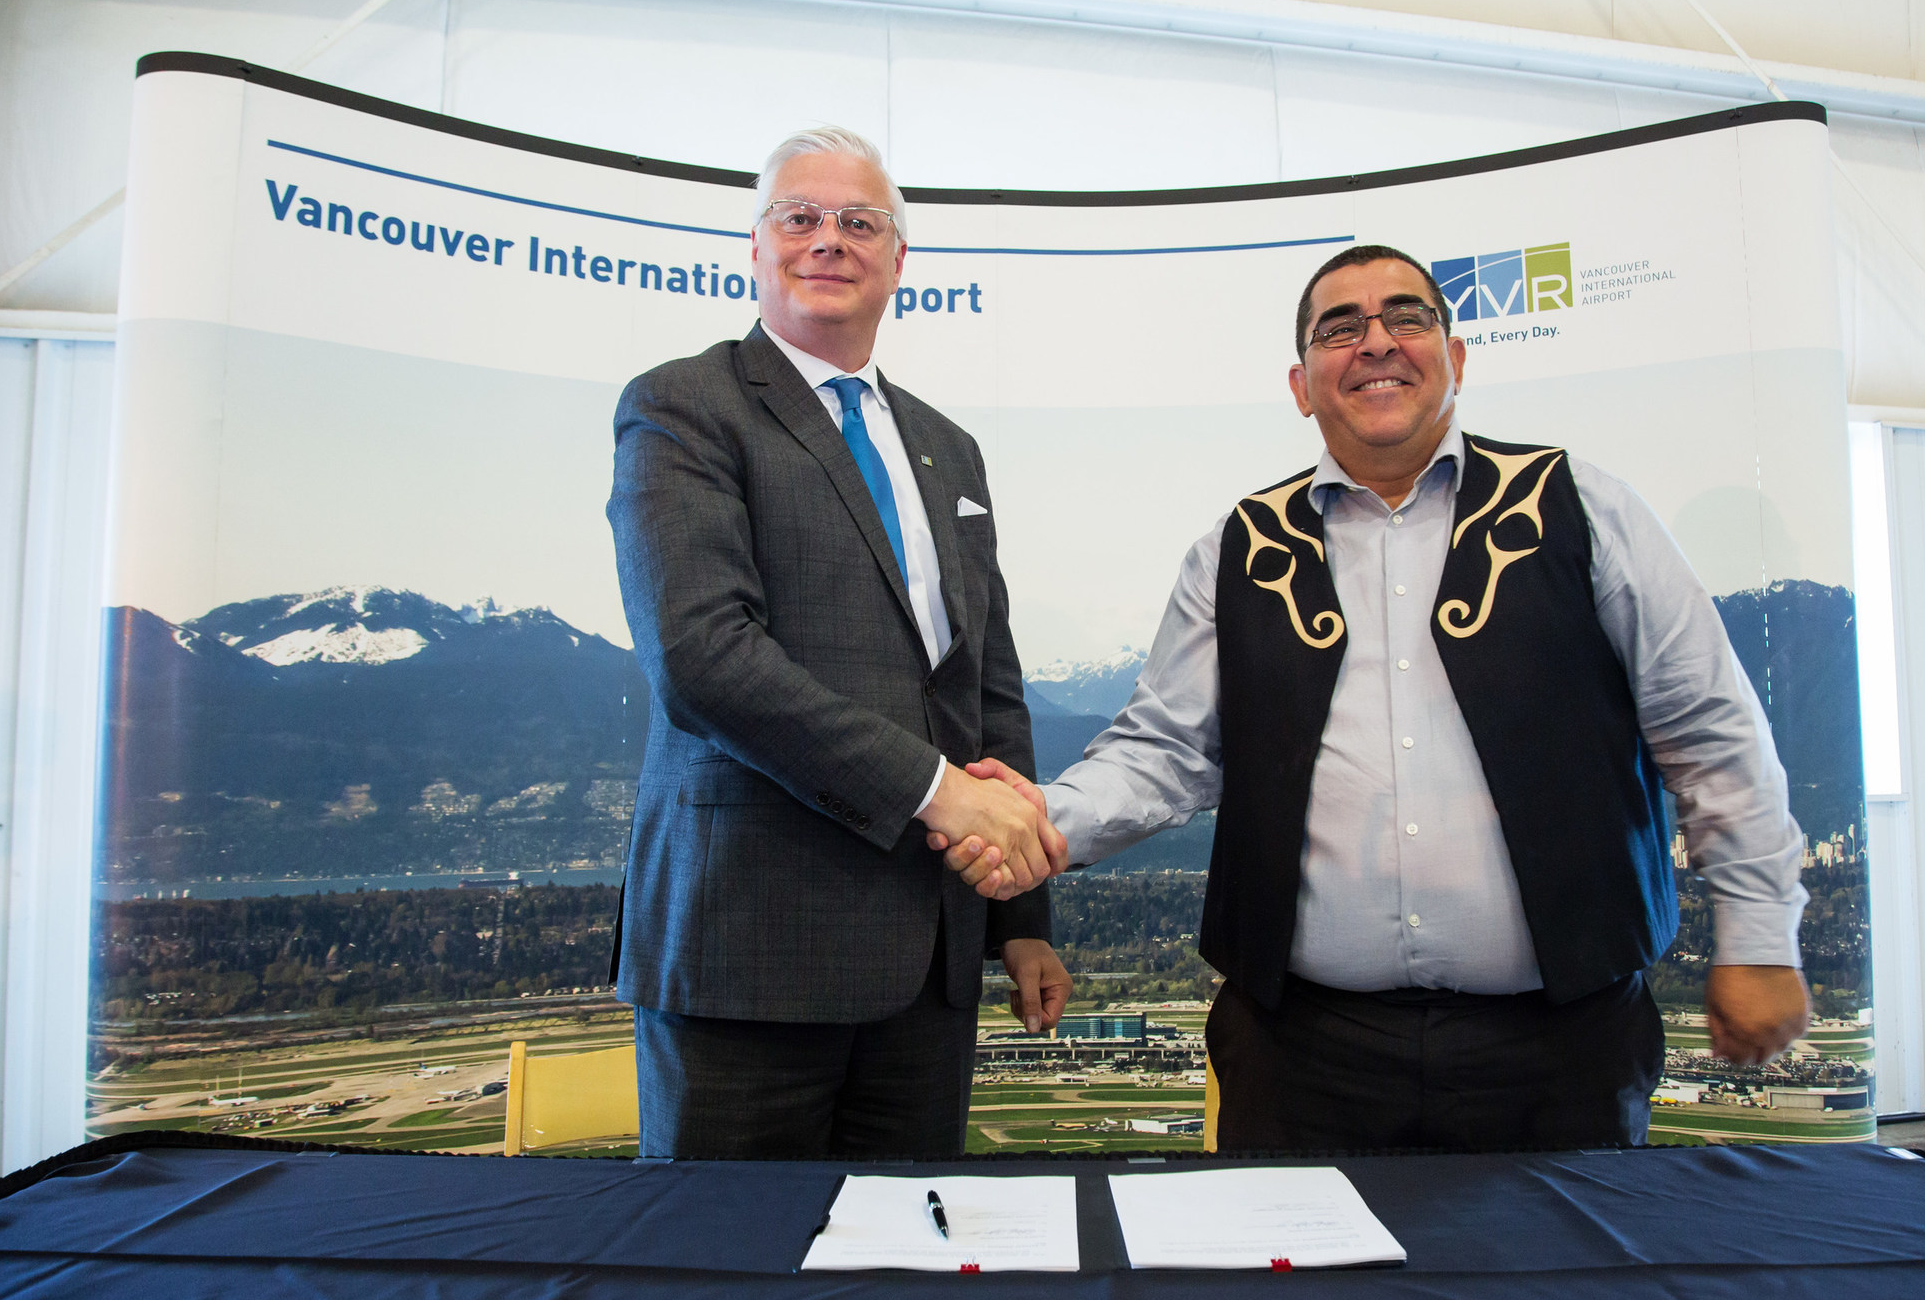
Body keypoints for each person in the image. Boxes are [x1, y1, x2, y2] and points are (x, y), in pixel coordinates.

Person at [940, 244, 1812, 1153]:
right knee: (1294, 1254)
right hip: (1302, 1056)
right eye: (1340, 328)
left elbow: (1708, 730)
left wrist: (1759, 932)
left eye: (1407, 316)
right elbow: (1165, 751)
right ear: (1301, 385)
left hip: (1563, 1049)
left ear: (1456, 356)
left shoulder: (1583, 510)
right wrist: (1044, 820)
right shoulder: (1239, 549)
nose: (1376, 342)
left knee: (1559, 1253)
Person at [607, 127, 1073, 1159]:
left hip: (932, 962)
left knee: (909, 1252)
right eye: (800, 216)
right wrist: (941, 794)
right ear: (756, 245)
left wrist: (1020, 916)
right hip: (748, 951)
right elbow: (703, 660)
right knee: (733, 1253)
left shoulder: (949, 448)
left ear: (898, 260)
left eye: (860, 221)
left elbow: (985, 685)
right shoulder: (683, 406)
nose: (829, 239)